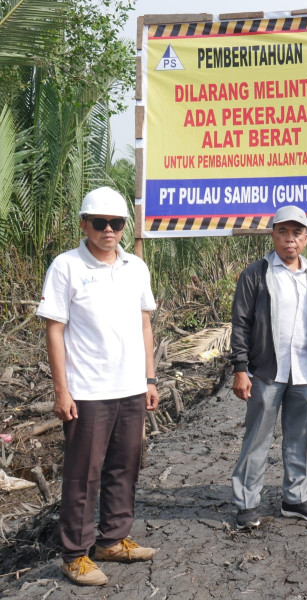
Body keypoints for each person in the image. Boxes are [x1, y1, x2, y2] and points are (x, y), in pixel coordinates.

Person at [37, 187, 159, 586]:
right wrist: (61, 390)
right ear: (84, 224)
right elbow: (55, 330)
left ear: (125, 226)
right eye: (100, 223)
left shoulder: (135, 267)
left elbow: (145, 325)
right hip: (87, 390)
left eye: (117, 223)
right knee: (82, 475)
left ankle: (113, 539)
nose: (109, 230)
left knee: (125, 466)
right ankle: (74, 554)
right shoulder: (66, 267)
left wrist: (149, 378)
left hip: (130, 387)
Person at [230, 205, 307, 528]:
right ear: (273, 234)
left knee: (303, 437)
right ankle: (248, 503)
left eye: (297, 233)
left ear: (306, 238)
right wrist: (239, 367)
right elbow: (240, 323)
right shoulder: (256, 274)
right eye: (283, 232)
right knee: (257, 438)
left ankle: (295, 498)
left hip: (306, 372)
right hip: (266, 372)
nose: (290, 239)